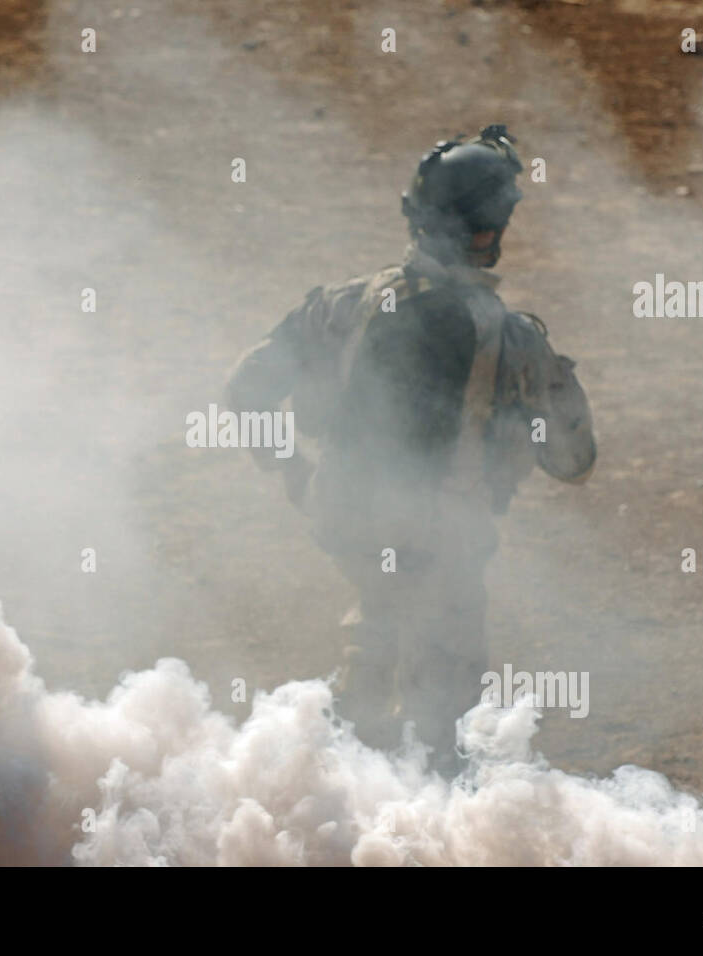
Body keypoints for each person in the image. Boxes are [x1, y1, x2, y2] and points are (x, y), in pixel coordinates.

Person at [226, 125, 596, 768]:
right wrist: (544, 386)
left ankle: (327, 800)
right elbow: (574, 461)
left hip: (344, 520)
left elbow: (244, 389)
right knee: (440, 711)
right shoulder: (513, 341)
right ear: (487, 231)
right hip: (444, 540)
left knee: (375, 633)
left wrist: (293, 475)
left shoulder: (343, 305)